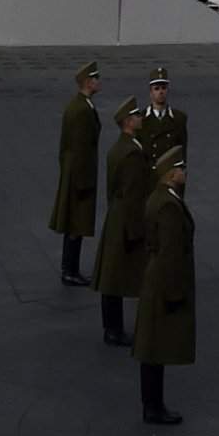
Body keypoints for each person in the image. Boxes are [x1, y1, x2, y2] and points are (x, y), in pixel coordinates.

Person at [134, 149, 195, 426]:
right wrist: (175, 293)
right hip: (162, 283)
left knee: (151, 346)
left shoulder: (158, 199)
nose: (185, 172)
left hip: (153, 279)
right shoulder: (169, 206)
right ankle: (153, 406)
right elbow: (171, 251)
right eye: (181, 168)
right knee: (155, 348)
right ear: (171, 174)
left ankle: (152, 404)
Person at [97, 99, 152, 348]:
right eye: (137, 115)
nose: (141, 117)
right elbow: (132, 193)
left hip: (116, 215)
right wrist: (136, 229)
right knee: (115, 276)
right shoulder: (132, 153)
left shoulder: (118, 148)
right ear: (128, 122)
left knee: (110, 274)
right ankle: (114, 330)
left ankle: (111, 327)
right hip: (125, 220)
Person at [50, 60, 102, 283]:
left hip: (74, 173)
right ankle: (70, 271)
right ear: (88, 82)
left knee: (73, 223)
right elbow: (80, 147)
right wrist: (82, 181)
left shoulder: (79, 105)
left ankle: (69, 268)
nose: (99, 82)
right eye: (96, 78)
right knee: (76, 223)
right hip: (80, 177)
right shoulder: (81, 110)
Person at [140, 66, 187, 173]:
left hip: (170, 175)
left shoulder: (179, 119)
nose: (161, 92)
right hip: (150, 176)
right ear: (150, 92)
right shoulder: (142, 119)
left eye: (163, 88)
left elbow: (182, 153)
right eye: (157, 88)